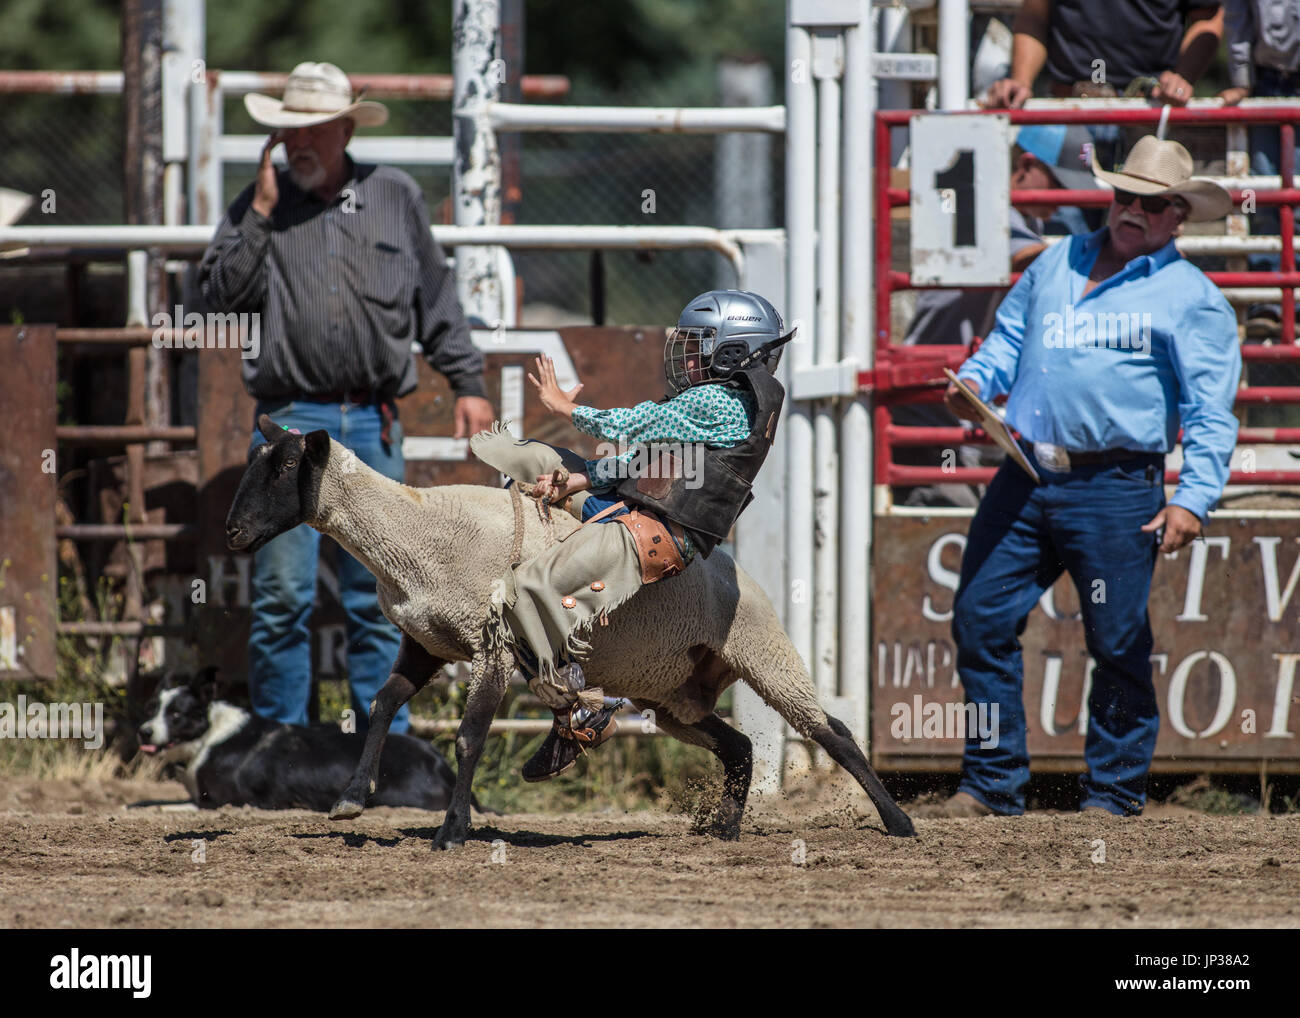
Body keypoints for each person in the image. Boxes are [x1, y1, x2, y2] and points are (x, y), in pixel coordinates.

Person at [934, 136, 1240, 817]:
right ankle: (990, 783)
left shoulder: (1192, 300)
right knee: (981, 617)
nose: (1132, 210)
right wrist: (975, 383)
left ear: (1176, 215)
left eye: (1150, 202)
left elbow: (1211, 412)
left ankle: (1113, 793)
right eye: (1124, 195)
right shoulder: (1054, 263)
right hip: (1027, 470)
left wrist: (1193, 500)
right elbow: (1007, 342)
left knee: (1117, 640)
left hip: (1118, 485)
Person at [198, 62, 495, 734]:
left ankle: (380, 750)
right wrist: (265, 214)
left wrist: (468, 382)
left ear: (343, 128)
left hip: (371, 417)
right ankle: (277, 745)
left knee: (382, 597)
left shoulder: (394, 196)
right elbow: (218, 296)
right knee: (282, 596)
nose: (296, 141)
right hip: (291, 422)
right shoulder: (258, 208)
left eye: (309, 128)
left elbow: (435, 299)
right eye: (286, 129)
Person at [472, 290, 790, 781]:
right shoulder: (721, 403)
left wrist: (564, 409)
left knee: (527, 588)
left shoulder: (719, 400)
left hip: (656, 530)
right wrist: (584, 478)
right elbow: (647, 463)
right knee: (526, 459)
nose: (683, 355)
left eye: (696, 345)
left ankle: (580, 712)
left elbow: (633, 424)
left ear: (731, 353)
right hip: (636, 504)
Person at [893, 124, 1104, 508]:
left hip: (954, 387)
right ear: (1026, 165)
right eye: (1059, 184)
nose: (1065, 199)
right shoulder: (994, 213)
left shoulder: (1025, 219)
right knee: (953, 505)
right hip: (935, 391)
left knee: (964, 501)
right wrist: (1112, 253)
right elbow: (1030, 258)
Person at [1219, 0, 1300, 339]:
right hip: (1267, 80)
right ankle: (1270, 299)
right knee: (1260, 194)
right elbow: (1237, 20)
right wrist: (1242, 79)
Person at [985, 0, 1224, 108]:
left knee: (1143, 209)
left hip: (1150, 110)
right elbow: (1034, 15)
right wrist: (1021, 80)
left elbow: (1208, 18)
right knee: (1058, 208)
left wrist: (1183, 77)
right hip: (1066, 111)